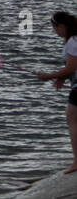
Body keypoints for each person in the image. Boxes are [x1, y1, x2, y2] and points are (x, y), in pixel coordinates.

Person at [35, 11, 77, 174]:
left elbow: (73, 67)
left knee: (72, 119)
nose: (55, 32)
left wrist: (49, 76)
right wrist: (63, 78)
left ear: (61, 26)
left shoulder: (73, 41)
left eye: (55, 29)